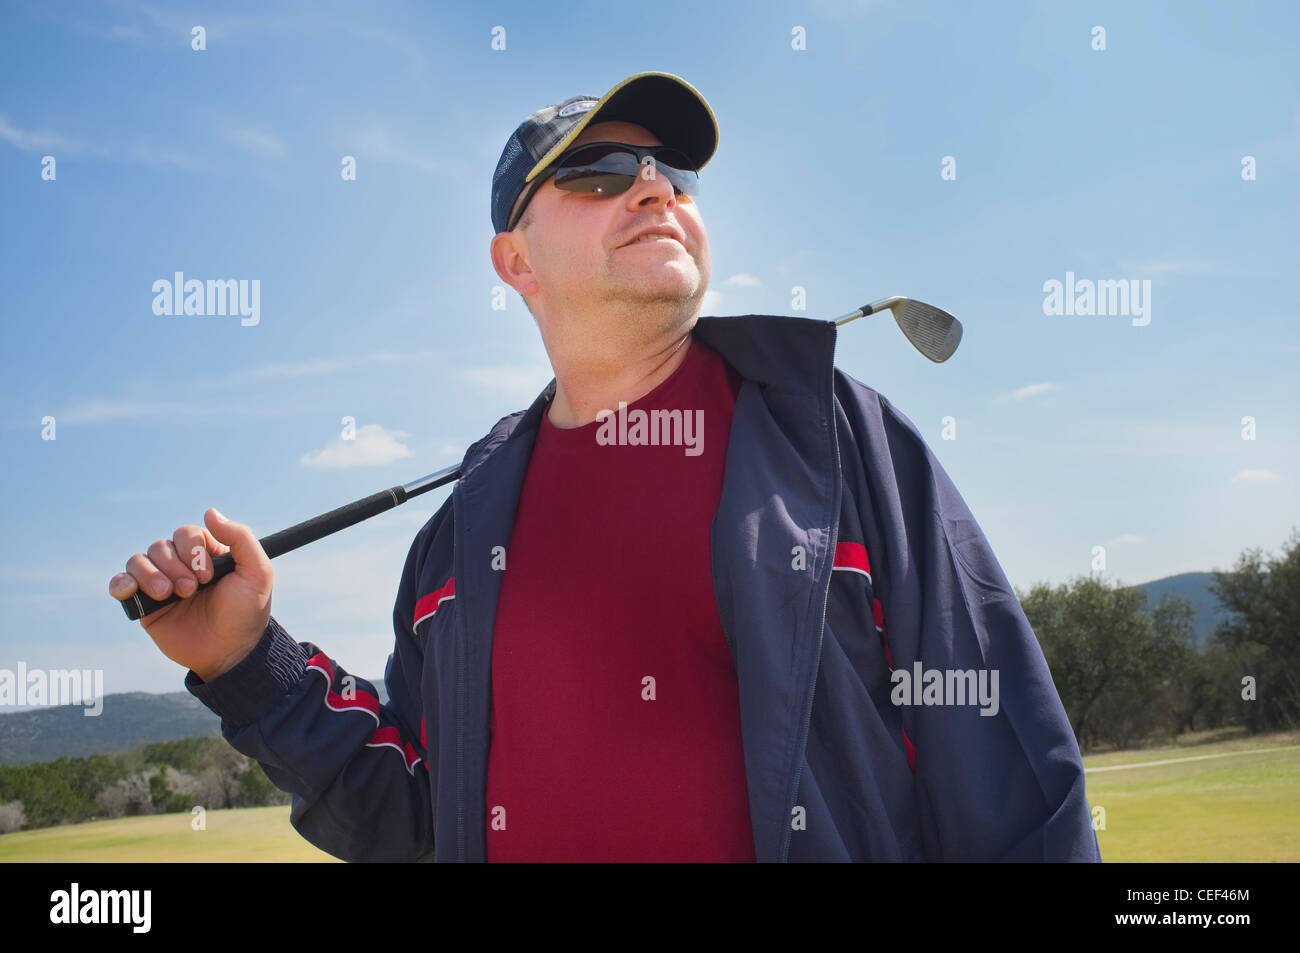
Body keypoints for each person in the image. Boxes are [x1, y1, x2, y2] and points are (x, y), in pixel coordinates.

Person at [109, 71, 1102, 862]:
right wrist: (243, 661)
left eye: (672, 172)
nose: (653, 187)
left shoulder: (844, 442)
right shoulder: (453, 543)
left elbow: (1006, 768)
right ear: (516, 262)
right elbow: (409, 814)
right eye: (596, 173)